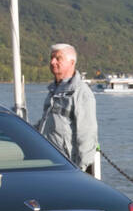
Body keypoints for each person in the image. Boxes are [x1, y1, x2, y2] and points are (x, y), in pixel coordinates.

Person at [35, 43, 98, 174]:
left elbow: (87, 135)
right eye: (51, 58)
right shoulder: (53, 91)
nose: (52, 62)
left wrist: (79, 170)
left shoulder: (81, 93)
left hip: (67, 168)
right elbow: (45, 123)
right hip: (49, 163)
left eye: (58, 58)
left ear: (71, 62)